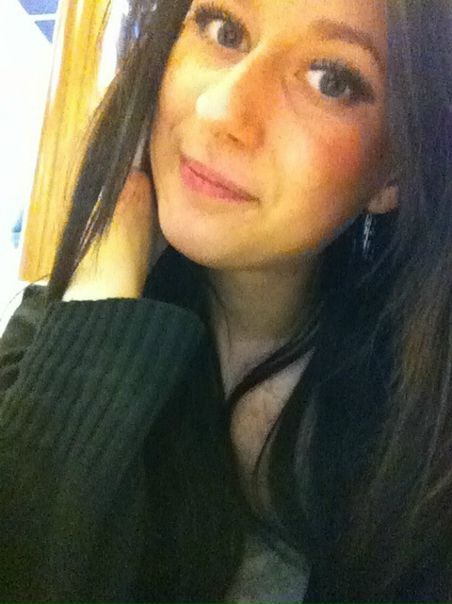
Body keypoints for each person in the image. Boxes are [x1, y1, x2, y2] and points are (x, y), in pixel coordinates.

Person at [0, 0, 451, 601]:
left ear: (393, 172)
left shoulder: (425, 427)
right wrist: (103, 287)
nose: (221, 108)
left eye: (331, 80)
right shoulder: (54, 334)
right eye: (223, 29)